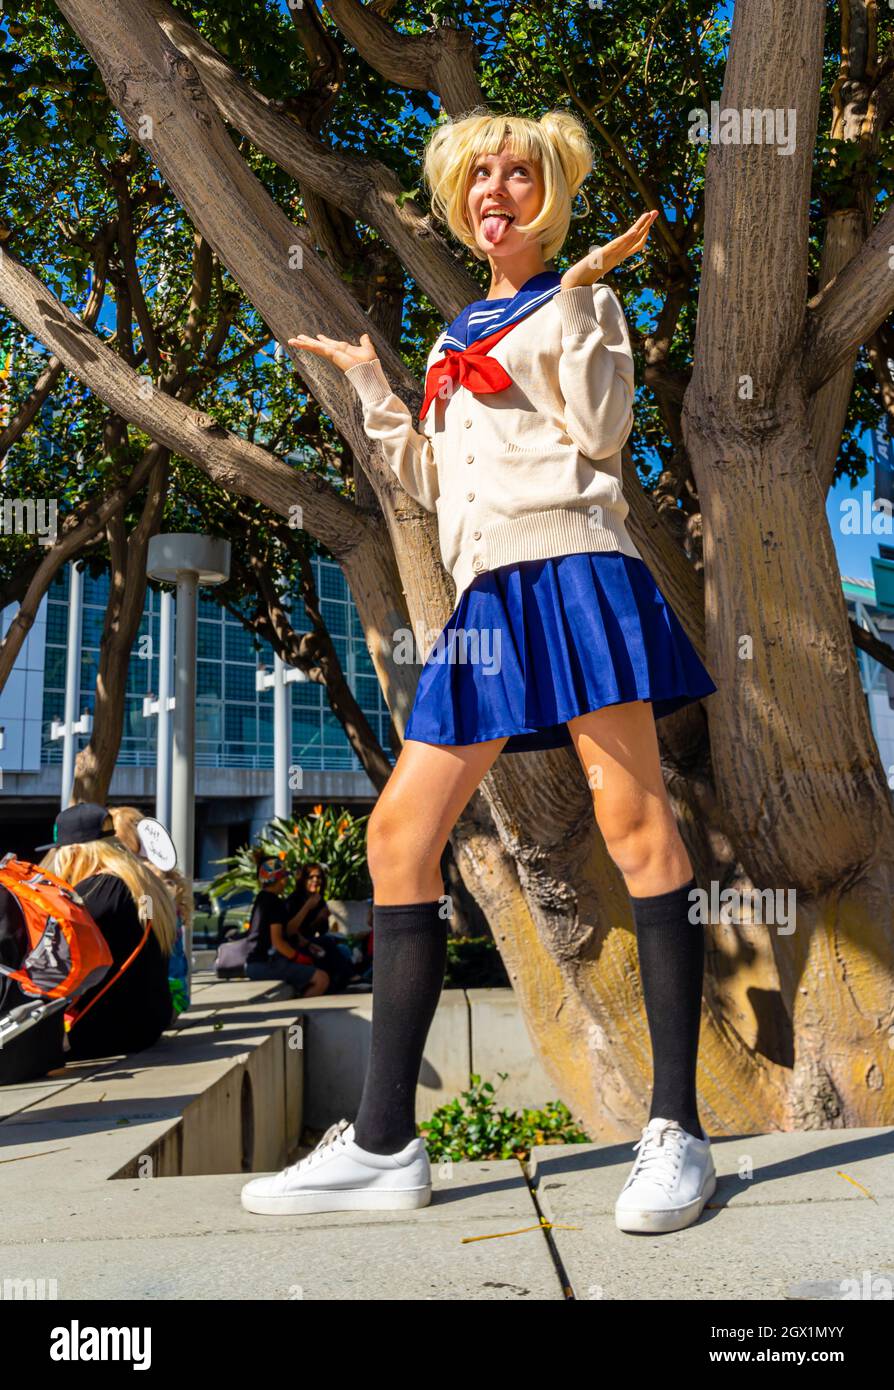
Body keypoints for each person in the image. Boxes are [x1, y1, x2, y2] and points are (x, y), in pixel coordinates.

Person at [242, 109, 718, 1229]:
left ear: (546, 196)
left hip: (575, 571)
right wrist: (376, 389)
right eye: (478, 177)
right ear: (460, 200)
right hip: (486, 596)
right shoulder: (463, 327)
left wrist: (584, 300)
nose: (494, 190)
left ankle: (676, 1129)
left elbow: (598, 433)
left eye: (516, 174)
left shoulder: (579, 302)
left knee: (636, 826)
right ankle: (384, 1143)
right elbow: (434, 486)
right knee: (400, 837)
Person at [37, 803, 177, 1062]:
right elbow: (142, 932)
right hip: (149, 1021)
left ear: (76, 852)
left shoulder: (99, 890)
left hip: (109, 1029)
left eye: (60, 853)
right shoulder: (143, 883)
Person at [108, 805, 193, 1016]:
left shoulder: (146, 886)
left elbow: (145, 929)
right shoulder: (162, 879)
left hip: (157, 1001)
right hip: (172, 996)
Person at [243, 857, 329, 998]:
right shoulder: (274, 902)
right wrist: (299, 958)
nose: (286, 881)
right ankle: (302, 1012)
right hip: (265, 964)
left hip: (254, 964)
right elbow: (277, 941)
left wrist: (307, 944)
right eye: (284, 877)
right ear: (280, 879)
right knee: (321, 979)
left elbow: (286, 931)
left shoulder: (262, 898)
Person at [286, 863, 354, 993]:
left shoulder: (319, 900)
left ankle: (343, 982)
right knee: (327, 943)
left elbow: (321, 931)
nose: (315, 881)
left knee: (343, 948)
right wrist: (308, 907)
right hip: (296, 945)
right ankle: (350, 977)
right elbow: (291, 932)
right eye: (311, 877)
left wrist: (321, 919)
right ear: (303, 880)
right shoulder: (293, 900)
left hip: (312, 943)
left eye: (319, 877)